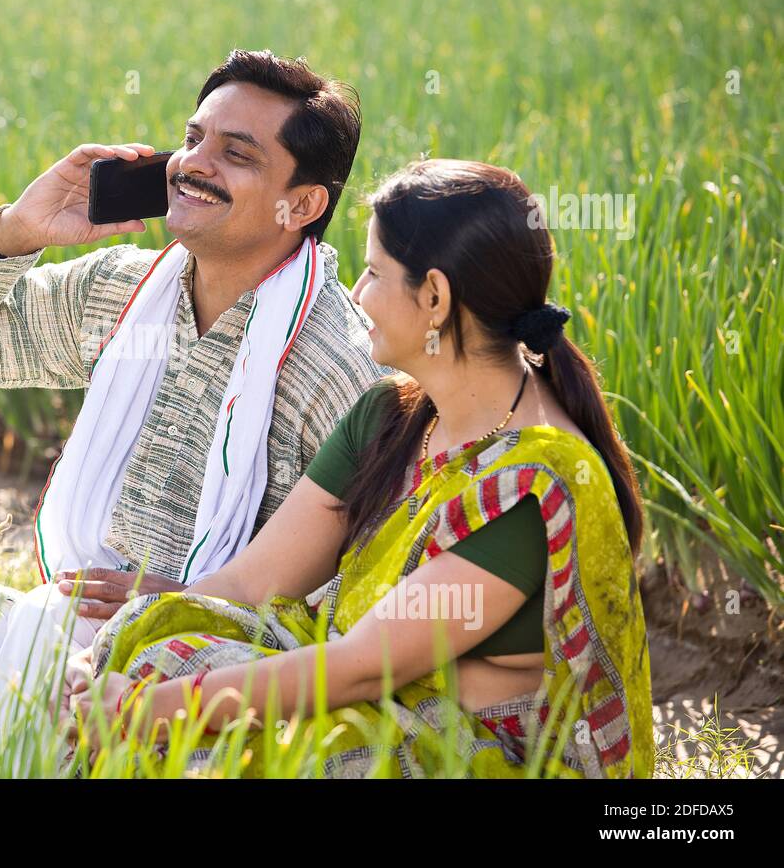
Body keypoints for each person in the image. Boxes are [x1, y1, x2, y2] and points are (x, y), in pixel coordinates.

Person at [0, 49, 390, 774]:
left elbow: (379, 591)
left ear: (303, 204)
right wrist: (13, 232)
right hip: (71, 623)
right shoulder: (121, 293)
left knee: (41, 695)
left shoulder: (340, 363)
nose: (192, 164)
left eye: (235, 154)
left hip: (211, 669)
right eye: (191, 139)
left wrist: (193, 606)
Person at [66, 158, 655, 779]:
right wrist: (113, 651)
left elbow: (363, 665)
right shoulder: (391, 420)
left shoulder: (529, 487)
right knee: (161, 650)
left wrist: (149, 708)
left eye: (374, 272)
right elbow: (250, 587)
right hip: (373, 700)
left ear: (434, 296)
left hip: (462, 755)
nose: (356, 295)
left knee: (224, 743)